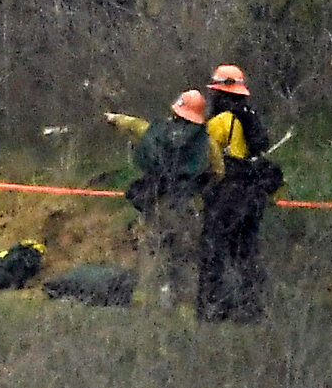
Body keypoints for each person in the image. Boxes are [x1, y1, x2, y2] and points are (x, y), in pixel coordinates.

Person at [106, 91, 221, 312]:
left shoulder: (157, 131)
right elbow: (218, 172)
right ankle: (185, 310)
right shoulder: (206, 142)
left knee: (151, 253)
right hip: (186, 206)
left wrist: (114, 118)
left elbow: (136, 126)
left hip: (156, 203)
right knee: (186, 257)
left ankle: (143, 305)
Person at [198, 63, 280, 323]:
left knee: (214, 253)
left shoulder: (222, 121)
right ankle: (252, 310)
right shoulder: (251, 117)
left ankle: (213, 310)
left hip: (227, 195)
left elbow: (205, 155)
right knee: (247, 255)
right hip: (252, 195)